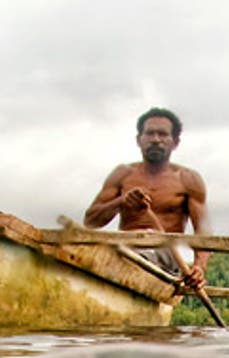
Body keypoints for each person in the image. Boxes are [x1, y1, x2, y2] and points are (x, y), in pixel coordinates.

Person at [83, 107, 211, 290]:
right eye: (150, 133)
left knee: (136, 256)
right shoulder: (122, 175)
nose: (156, 140)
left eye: (163, 134)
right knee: (98, 253)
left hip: (164, 254)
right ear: (139, 140)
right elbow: (91, 221)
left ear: (175, 142)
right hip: (126, 247)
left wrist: (198, 267)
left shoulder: (188, 179)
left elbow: (203, 233)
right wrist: (121, 201)